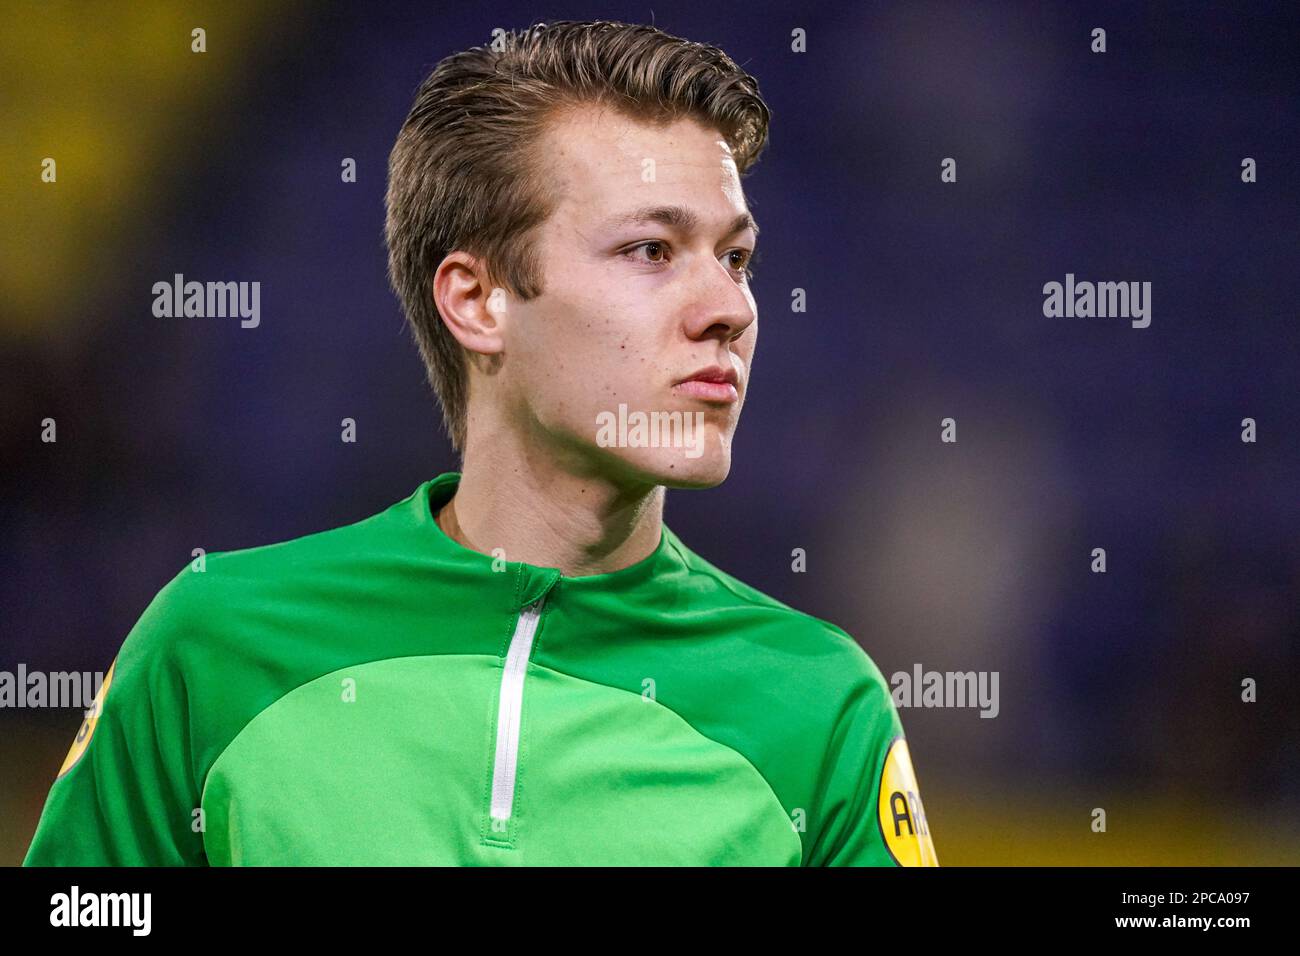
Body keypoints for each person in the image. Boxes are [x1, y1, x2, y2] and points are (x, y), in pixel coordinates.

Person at [24, 19, 937, 866]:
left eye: (735, 258)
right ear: (476, 300)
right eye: (652, 251)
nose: (730, 310)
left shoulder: (819, 707)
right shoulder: (212, 643)